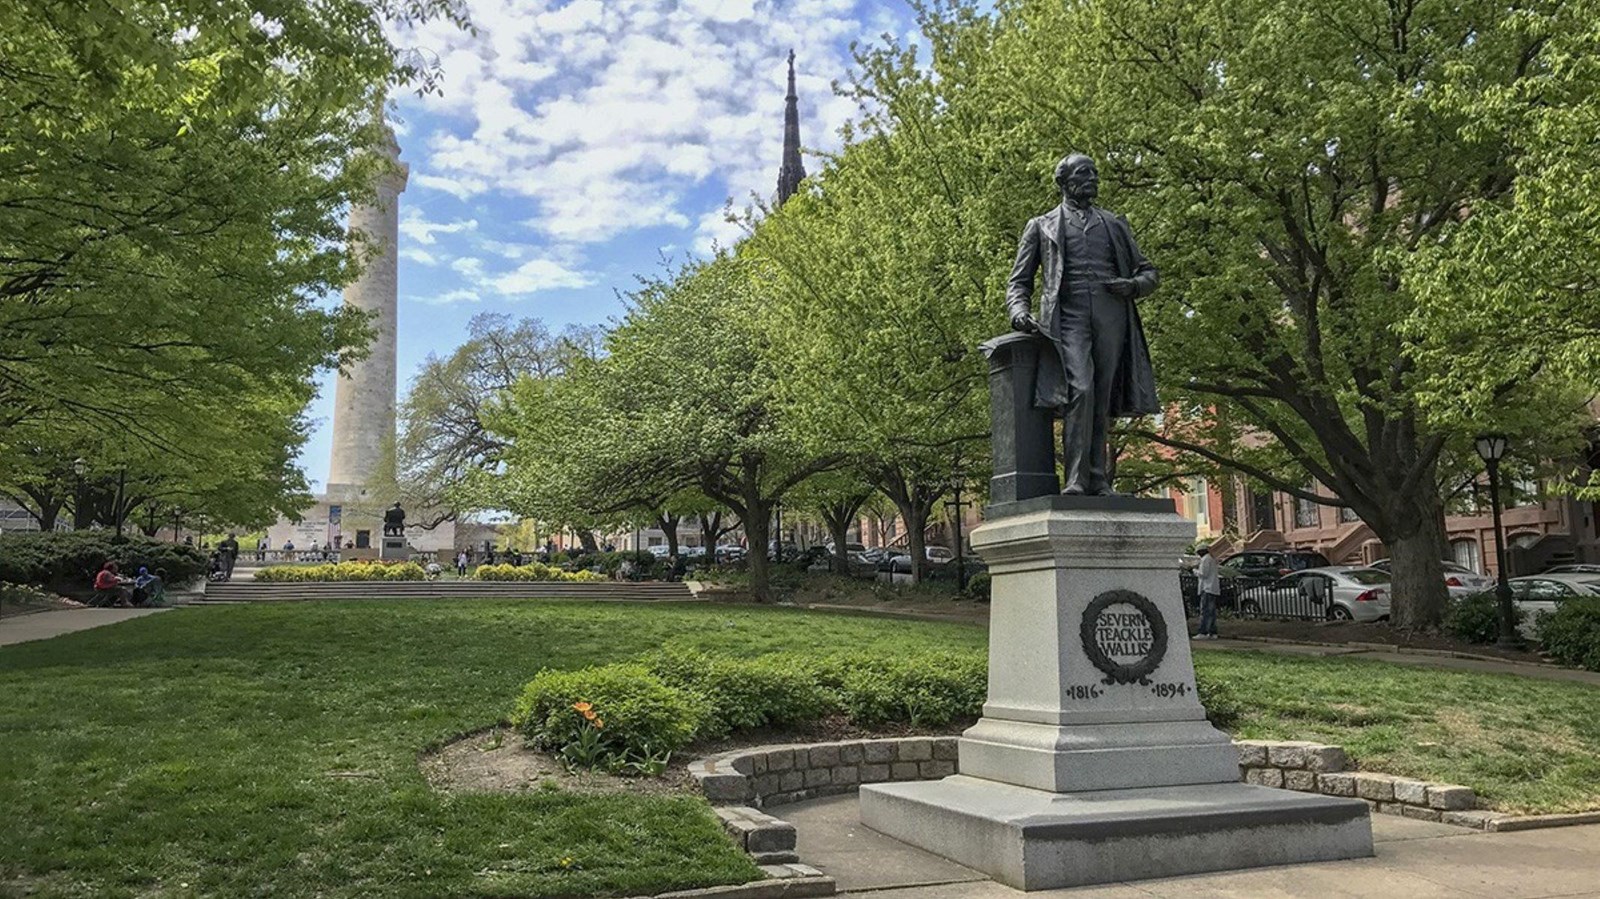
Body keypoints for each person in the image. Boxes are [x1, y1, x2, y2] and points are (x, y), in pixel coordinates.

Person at [1006, 153, 1160, 495]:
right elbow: (1019, 281)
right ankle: (1076, 479)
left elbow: (1149, 272)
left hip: (1111, 316)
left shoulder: (1114, 224)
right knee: (1082, 390)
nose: (1092, 179)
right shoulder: (1041, 226)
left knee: (1102, 398)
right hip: (1068, 318)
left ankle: (1098, 478)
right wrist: (1018, 311)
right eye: (1084, 173)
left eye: (1095, 173)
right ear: (1064, 181)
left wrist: (1133, 286)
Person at [1195, 546, 1221, 640]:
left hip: (1207, 588)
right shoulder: (1211, 559)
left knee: (1205, 611)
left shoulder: (1205, 560)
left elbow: (1203, 574)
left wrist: (1195, 571)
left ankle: (1203, 631)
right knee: (1211, 612)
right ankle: (1212, 632)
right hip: (1212, 588)